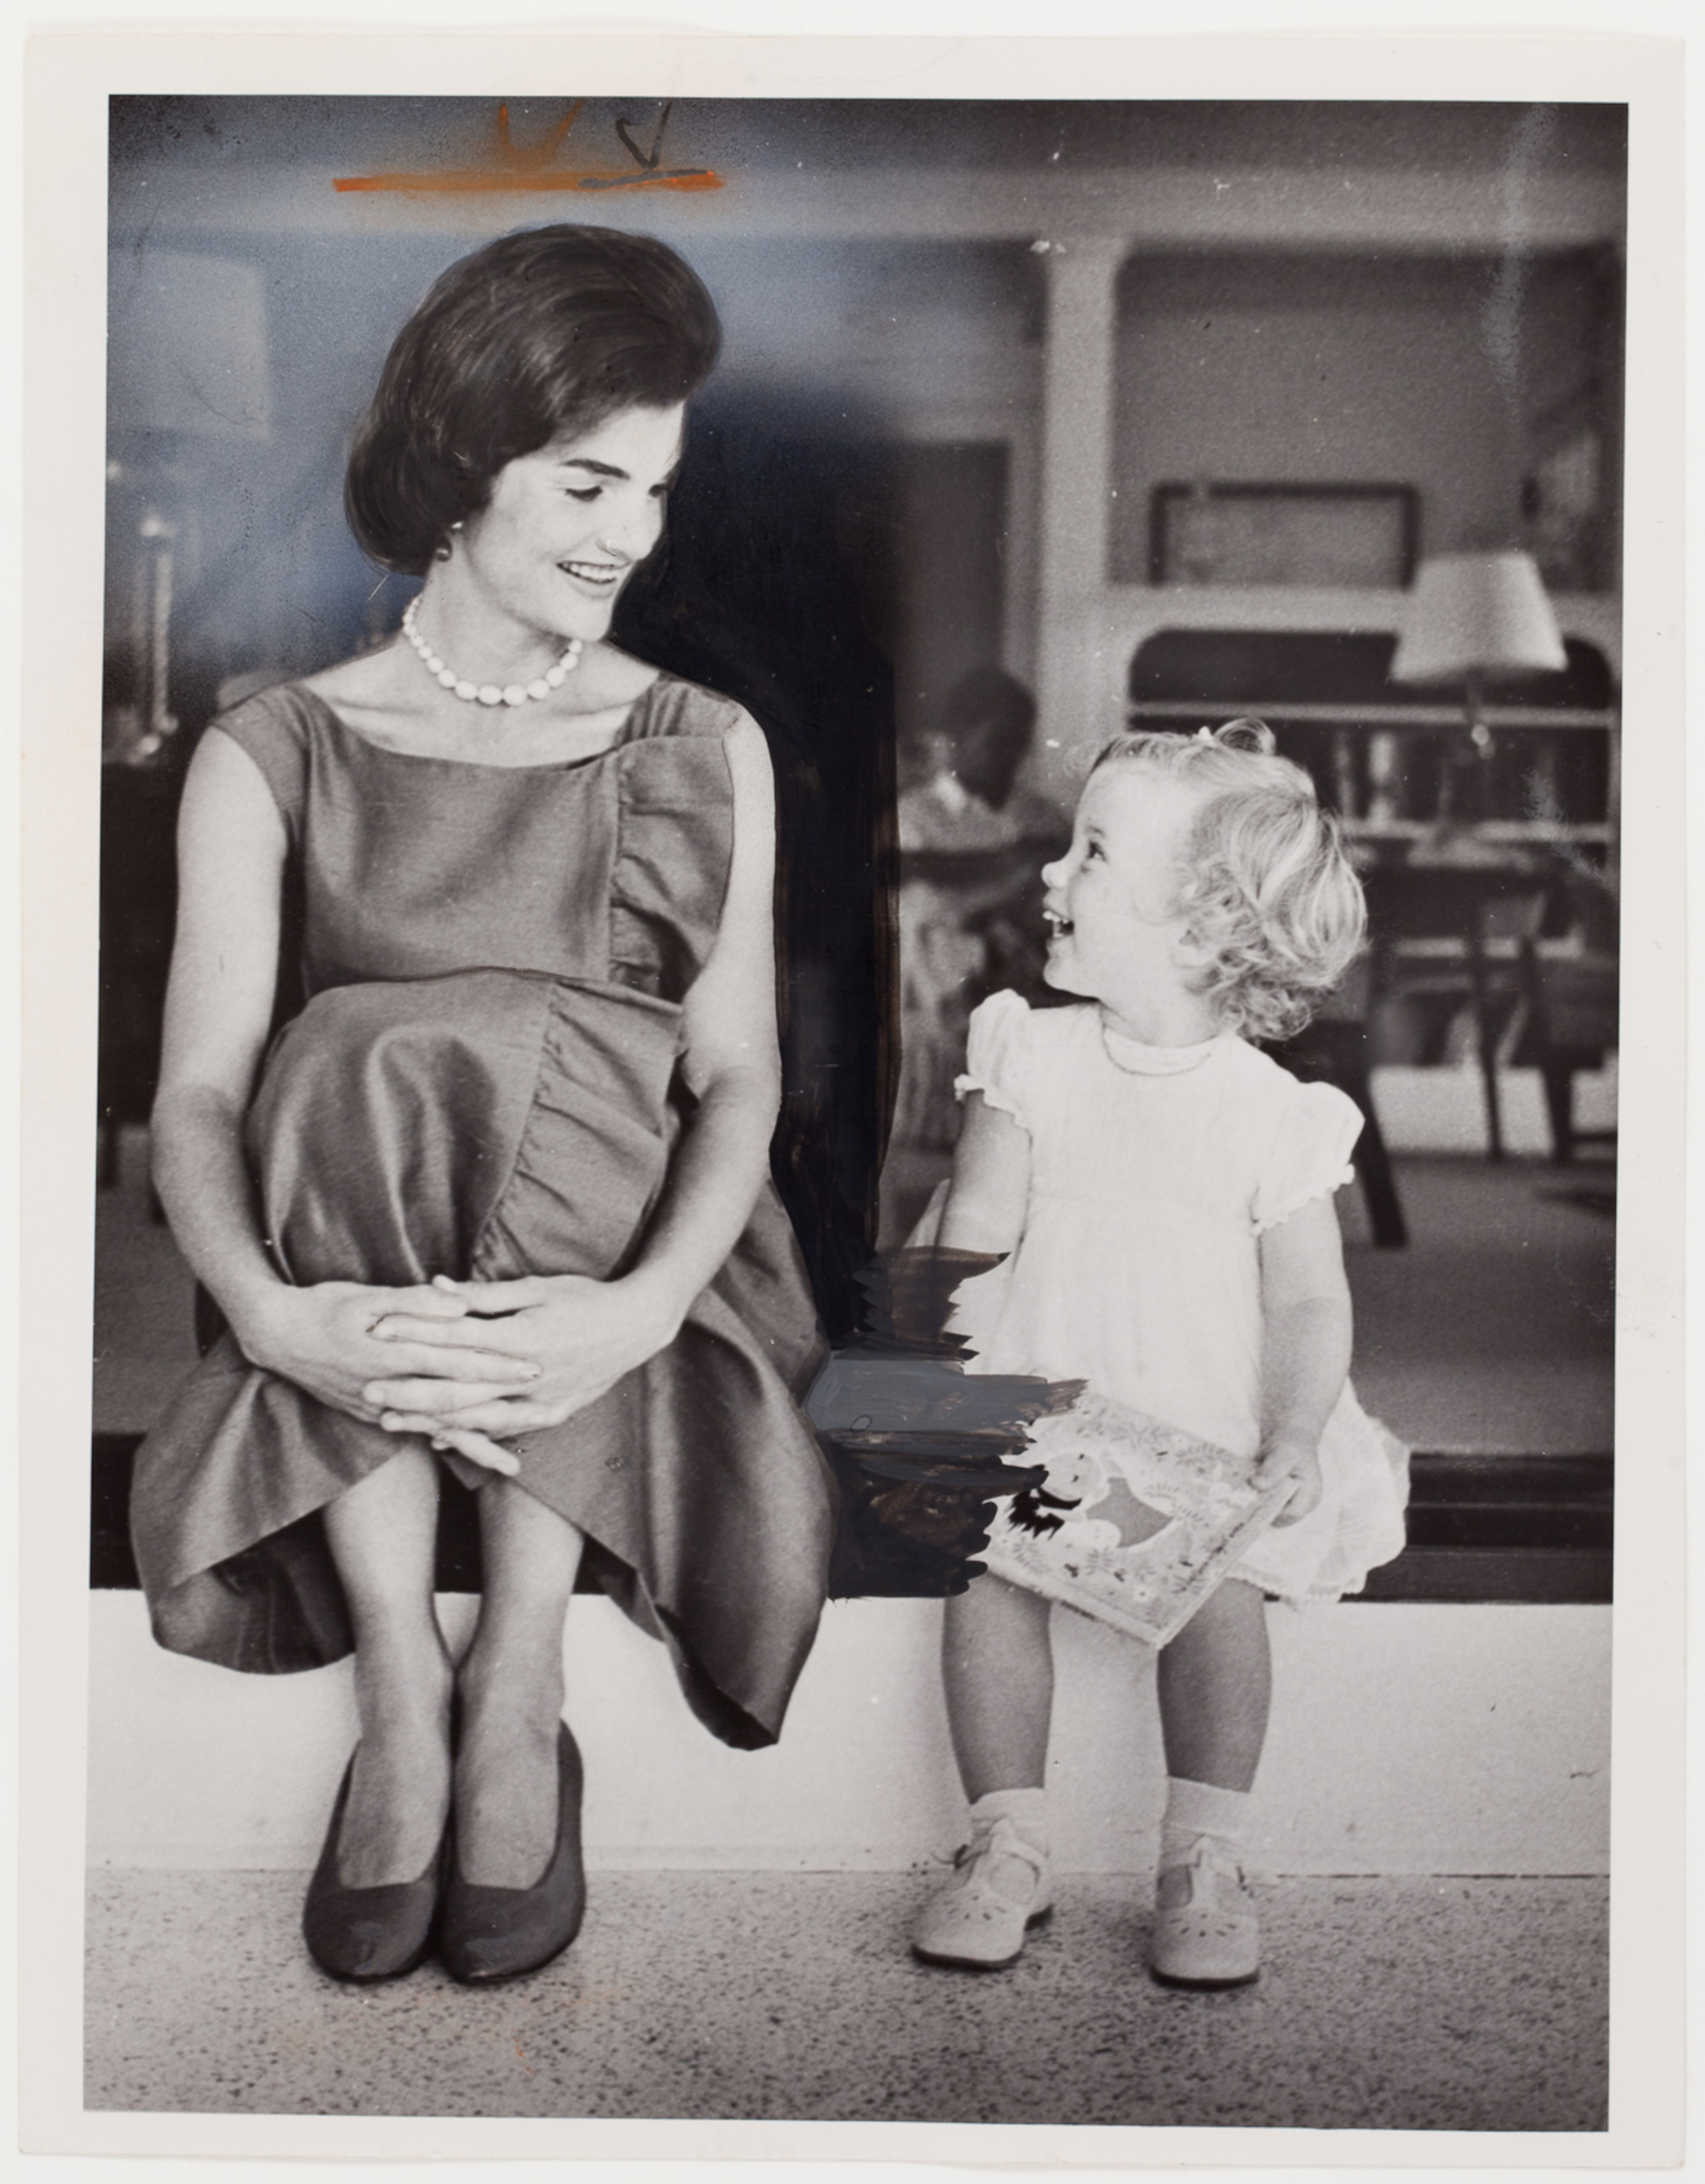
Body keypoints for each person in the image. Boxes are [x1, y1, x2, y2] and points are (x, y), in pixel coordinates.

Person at [129, 225, 835, 1987]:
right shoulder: (273, 747)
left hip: (640, 1277)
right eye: (587, 483)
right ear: (462, 466)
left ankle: (519, 1668)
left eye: (653, 491)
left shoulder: (699, 742)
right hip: (343, 1267)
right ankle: (402, 1677)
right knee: (361, 1049)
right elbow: (200, 1091)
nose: (627, 535)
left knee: (546, 1034)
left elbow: (736, 1076)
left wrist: (637, 1309)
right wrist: (272, 1315)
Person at [908, 719, 1407, 1987]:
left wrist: (1292, 1432)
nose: (1050, 872)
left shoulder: (1274, 1114)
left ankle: (1203, 1855)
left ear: (1201, 929)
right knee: (986, 1573)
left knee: (1219, 1598)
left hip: (1197, 1413)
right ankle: (1007, 1840)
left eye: (1090, 853)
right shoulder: (1028, 1053)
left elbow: (1308, 1302)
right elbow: (973, 1229)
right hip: (1041, 1390)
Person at [893, 667, 1063, 1156]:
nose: (1012, 757)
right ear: (957, 736)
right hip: (934, 1025)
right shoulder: (911, 817)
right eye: (998, 742)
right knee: (930, 1154)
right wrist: (1014, 871)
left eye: (1020, 743)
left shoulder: (1042, 815)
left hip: (1023, 1023)